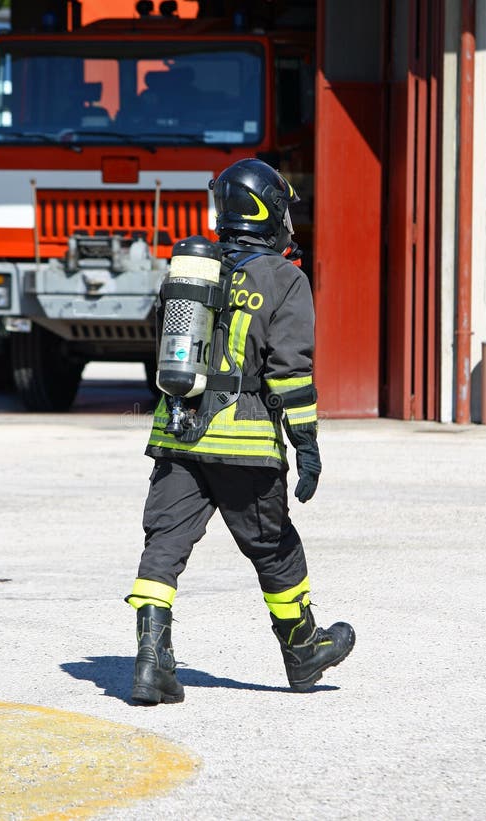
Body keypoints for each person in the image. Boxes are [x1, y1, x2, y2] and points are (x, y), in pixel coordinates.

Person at [125, 158, 355, 704]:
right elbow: (290, 372)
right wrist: (306, 445)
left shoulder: (190, 272)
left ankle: (152, 661)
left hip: (177, 435)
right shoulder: (285, 277)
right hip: (244, 442)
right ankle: (303, 651)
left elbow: (163, 346)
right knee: (274, 548)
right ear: (271, 211)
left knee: (165, 544)